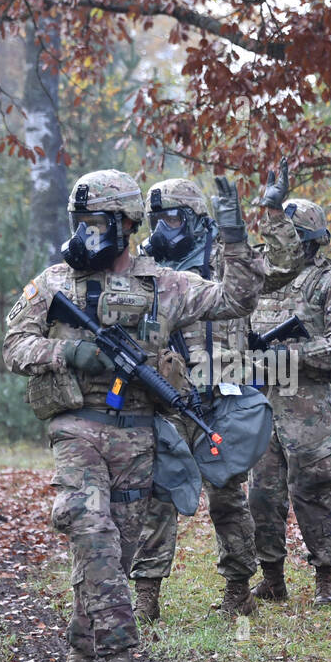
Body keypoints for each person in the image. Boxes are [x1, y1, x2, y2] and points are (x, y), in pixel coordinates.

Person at [3, 169, 263, 662]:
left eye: (97, 222)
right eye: (80, 222)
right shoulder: (55, 283)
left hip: (139, 433)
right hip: (76, 426)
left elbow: (237, 299)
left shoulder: (165, 284)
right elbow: (14, 345)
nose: (87, 232)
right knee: (89, 525)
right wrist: (68, 352)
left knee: (113, 555)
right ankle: (120, 653)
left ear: (126, 224)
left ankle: (79, 661)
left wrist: (235, 234)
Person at [129, 164, 304, 621]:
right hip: (165, 396)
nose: (162, 230)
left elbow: (283, 266)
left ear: (191, 217)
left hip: (222, 396)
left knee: (227, 497)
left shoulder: (226, 257)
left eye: (171, 219)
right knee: (158, 495)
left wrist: (270, 215)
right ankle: (146, 595)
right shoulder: (145, 266)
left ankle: (238, 590)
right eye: (155, 220)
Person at [247, 196, 331, 606]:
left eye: (292, 238)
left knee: (312, 490)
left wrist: (289, 356)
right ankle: (272, 578)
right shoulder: (262, 276)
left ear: (310, 241)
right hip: (262, 401)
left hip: (307, 405)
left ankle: (326, 579)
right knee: (261, 495)